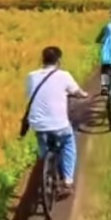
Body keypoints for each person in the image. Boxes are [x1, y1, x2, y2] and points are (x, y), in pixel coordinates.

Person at [26, 46, 87, 195]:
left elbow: (30, 94)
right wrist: (83, 94)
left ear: (42, 59)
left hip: (38, 124)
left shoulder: (31, 76)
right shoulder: (64, 75)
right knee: (68, 143)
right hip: (59, 125)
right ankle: (67, 182)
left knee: (44, 146)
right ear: (59, 61)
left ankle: (45, 167)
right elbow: (76, 91)